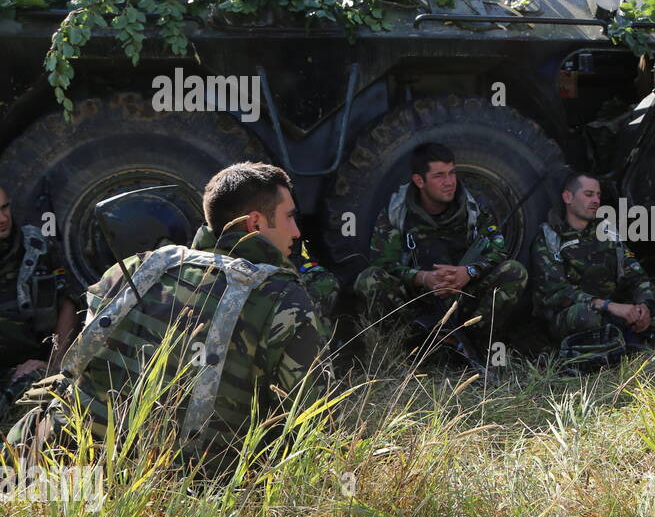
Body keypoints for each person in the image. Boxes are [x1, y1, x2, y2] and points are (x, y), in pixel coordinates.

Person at [6, 163, 327, 471]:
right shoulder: (284, 299)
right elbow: (308, 420)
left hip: (65, 472)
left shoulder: (138, 267)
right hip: (182, 492)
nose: (297, 231)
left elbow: (80, 366)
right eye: (289, 217)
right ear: (255, 223)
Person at [353, 142, 527, 354]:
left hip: (464, 301)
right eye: (439, 176)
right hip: (416, 303)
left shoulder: (472, 210)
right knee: (369, 278)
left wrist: (468, 273)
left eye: (452, 173)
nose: (449, 182)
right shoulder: (397, 214)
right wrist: (423, 278)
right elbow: (383, 264)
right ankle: (408, 348)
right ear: (419, 181)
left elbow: (498, 252)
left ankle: (476, 343)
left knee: (514, 271)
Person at [531, 173, 655, 354]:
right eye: (589, 194)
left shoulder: (607, 231)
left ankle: (636, 331)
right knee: (586, 317)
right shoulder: (550, 238)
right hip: (581, 313)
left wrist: (644, 306)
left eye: (598, 195)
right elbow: (558, 294)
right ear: (568, 197)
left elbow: (636, 275)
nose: (596, 200)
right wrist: (608, 306)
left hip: (618, 310)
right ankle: (634, 336)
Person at [0, 184, 77, 414]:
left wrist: (54, 365)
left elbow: (68, 302)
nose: (2, 219)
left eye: (5, 208)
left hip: (31, 366)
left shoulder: (36, 250)